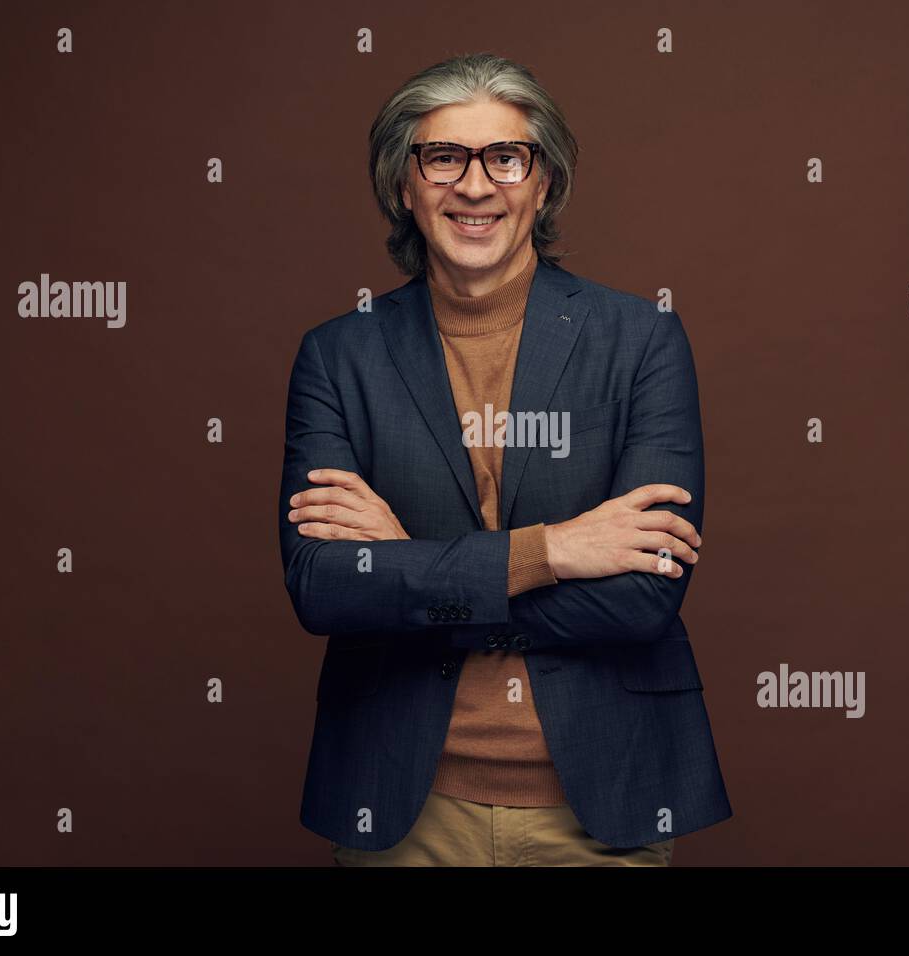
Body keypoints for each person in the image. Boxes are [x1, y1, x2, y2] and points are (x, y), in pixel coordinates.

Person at [279, 52, 731, 866]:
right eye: (444, 157)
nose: (476, 186)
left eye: (506, 158)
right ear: (403, 185)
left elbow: (642, 599)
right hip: (402, 805)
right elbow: (325, 590)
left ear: (543, 183)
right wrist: (552, 552)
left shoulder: (641, 342)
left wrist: (409, 569)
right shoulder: (338, 357)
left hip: (601, 804)